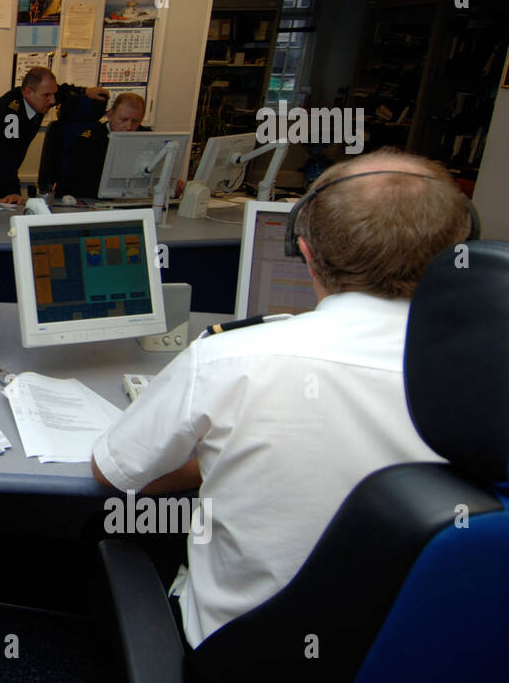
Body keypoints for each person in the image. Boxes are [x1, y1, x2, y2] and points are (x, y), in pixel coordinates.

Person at [90, 149, 470, 649]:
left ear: (306, 252)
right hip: (414, 662)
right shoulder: (484, 379)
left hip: (241, 660)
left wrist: (208, 461)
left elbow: (113, 472)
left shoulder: (231, 358)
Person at [0, 67, 108, 203]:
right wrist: (12, 192)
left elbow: (61, 91)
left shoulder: (38, 98)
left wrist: (85, 91)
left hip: (6, 171)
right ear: (28, 92)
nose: (52, 101)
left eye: (53, 94)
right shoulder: (10, 113)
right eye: (47, 96)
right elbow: (7, 157)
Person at [38, 91, 147, 201]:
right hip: (87, 199)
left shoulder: (146, 137)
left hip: (127, 198)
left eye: (135, 121)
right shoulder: (90, 139)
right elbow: (82, 182)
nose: (129, 127)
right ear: (110, 115)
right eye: (124, 119)